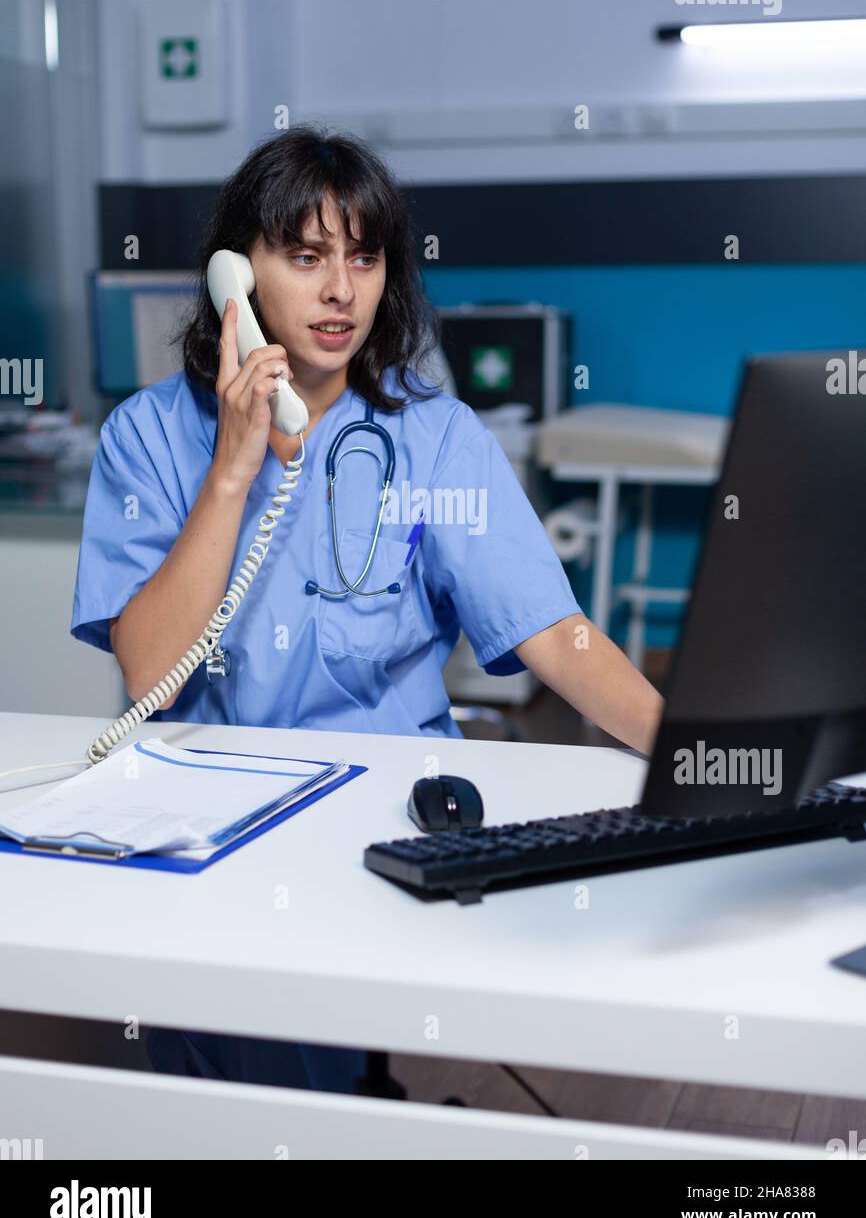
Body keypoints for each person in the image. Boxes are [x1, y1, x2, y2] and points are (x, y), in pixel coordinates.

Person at [71, 125, 663, 1094]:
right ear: (238, 272)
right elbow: (149, 671)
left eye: (363, 256)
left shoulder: (432, 436)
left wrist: (700, 758)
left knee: (306, 1062)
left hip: (382, 803)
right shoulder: (148, 436)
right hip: (211, 814)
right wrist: (234, 465)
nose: (340, 289)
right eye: (304, 257)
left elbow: (550, 630)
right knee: (239, 1071)